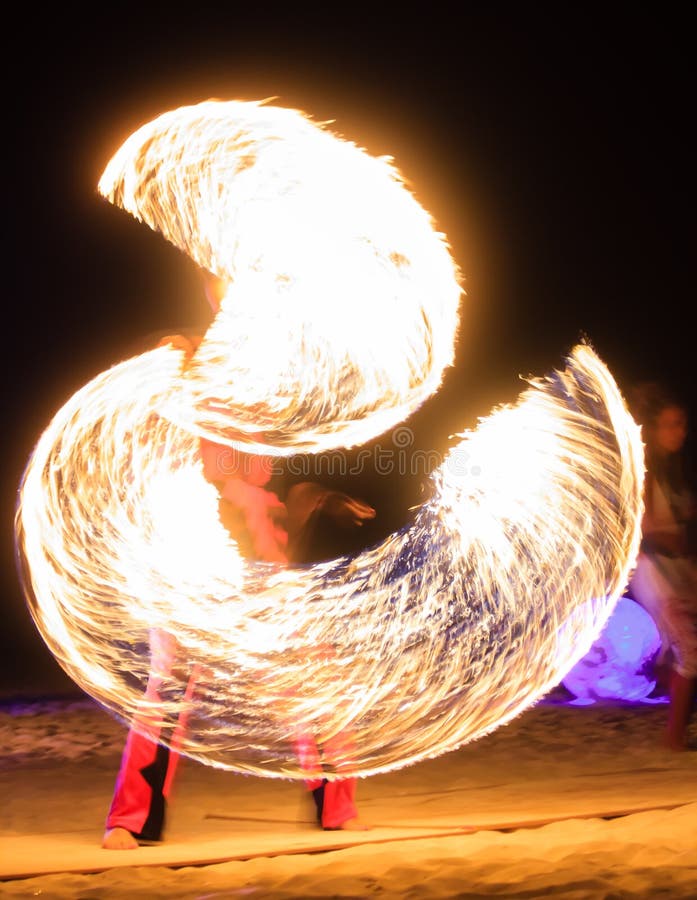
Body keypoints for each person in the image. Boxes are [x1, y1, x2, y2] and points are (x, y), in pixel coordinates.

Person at [628, 382, 697, 751]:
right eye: (670, 424)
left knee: (684, 650)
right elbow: (645, 531)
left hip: (679, 569)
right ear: (654, 430)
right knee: (691, 648)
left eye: (682, 424)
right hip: (654, 570)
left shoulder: (677, 473)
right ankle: (673, 739)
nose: (679, 432)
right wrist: (676, 539)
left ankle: (678, 728)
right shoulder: (648, 472)